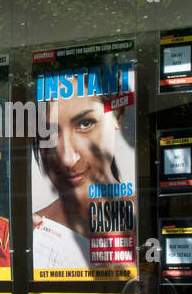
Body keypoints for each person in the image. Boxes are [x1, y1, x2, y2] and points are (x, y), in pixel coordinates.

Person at [31, 89, 132, 270]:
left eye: (85, 124)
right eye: (49, 132)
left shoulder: (149, 219)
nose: (67, 159)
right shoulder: (33, 232)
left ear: (117, 114)